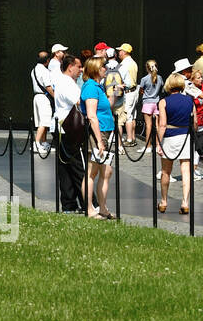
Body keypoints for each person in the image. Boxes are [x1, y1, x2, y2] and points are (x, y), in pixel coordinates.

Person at [156, 69, 194, 214]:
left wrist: (158, 143)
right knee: (186, 170)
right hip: (185, 135)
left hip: (170, 136)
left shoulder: (163, 102)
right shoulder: (189, 100)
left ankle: (164, 201)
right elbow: (194, 122)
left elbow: (162, 124)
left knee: (166, 171)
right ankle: (185, 202)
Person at [53, 52, 87, 213]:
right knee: (78, 168)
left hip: (61, 128)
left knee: (65, 168)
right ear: (70, 67)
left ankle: (69, 204)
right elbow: (79, 101)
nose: (81, 70)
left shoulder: (62, 81)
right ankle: (88, 203)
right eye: (79, 67)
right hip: (69, 130)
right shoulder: (67, 83)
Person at [81, 58, 115, 219]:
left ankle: (102, 207)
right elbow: (91, 115)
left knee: (106, 171)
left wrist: (114, 93)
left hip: (105, 132)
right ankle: (89, 209)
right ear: (95, 69)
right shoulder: (90, 87)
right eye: (103, 66)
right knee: (92, 172)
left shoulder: (98, 87)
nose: (106, 68)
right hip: (97, 134)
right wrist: (99, 141)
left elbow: (107, 106)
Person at [31, 49, 55, 156]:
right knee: (44, 121)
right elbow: (48, 86)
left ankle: (44, 143)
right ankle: (36, 143)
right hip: (43, 97)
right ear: (47, 61)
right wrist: (55, 96)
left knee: (42, 121)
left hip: (36, 96)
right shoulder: (45, 71)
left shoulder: (34, 70)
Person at [116, 43, 140, 147]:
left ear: (124, 52)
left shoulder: (124, 64)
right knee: (133, 116)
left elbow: (119, 78)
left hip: (128, 92)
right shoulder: (133, 62)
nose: (119, 53)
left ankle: (129, 139)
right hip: (134, 91)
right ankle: (133, 137)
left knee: (128, 116)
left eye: (120, 51)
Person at [138, 59, 163, 153]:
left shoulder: (144, 79)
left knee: (148, 125)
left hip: (147, 102)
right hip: (156, 102)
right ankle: (157, 145)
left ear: (147, 68)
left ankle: (148, 146)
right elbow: (162, 88)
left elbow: (141, 90)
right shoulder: (159, 78)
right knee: (157, 125)